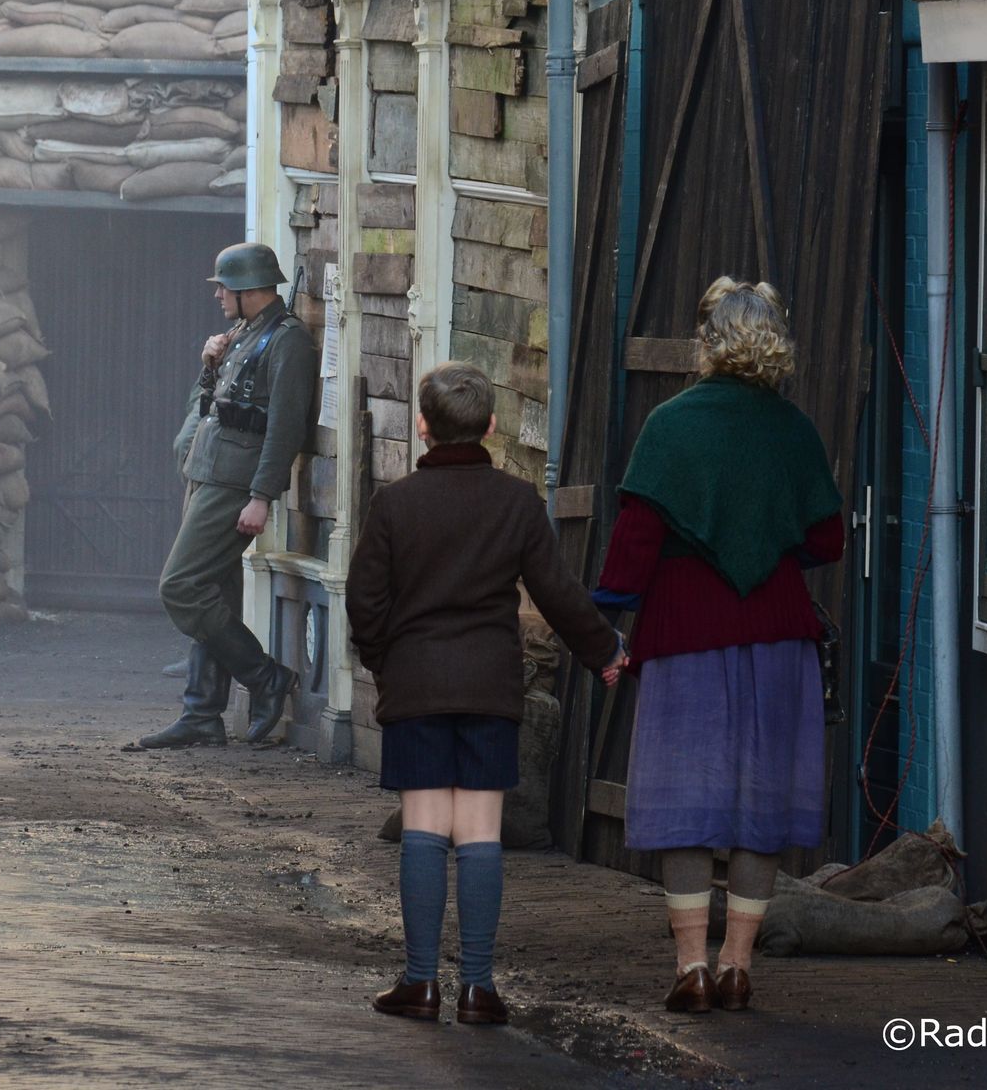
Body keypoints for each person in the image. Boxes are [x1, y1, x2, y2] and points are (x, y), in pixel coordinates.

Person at [346, 362, 627, 1026]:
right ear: (493, 427)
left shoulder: (395, 505)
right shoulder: (516, 503)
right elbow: (558, 594)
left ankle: (420, 984)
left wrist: (390, 667)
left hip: (417, 688)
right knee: (479, 834)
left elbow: (364, 606)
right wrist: (605, 651)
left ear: (422, 425)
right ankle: (478, 988)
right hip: (489, 689)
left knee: (423, 830)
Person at [592, 277, 844, 1015]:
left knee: (686, 804)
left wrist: (602, 620)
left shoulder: (670, 425)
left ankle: (690, 968)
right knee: (761, 805)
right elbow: (825, 536)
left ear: (706, 341)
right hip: (777, 639)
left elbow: (633, 549)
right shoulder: (791, 429)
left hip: (684, 639)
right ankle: (738, 966)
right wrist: (766, 540)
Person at [138, 242, 319, 751]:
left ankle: (265, 677)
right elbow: (216, 405)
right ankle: (201, 713)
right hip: (208, 471)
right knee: (211, 591)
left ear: (247, 290)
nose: (218, 294)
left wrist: (261, 495)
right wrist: (208, 363)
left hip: (234, 483)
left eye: (224, 286)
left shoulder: (287, 342)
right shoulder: (244, 335)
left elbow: (284, 429)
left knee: (181, 587)